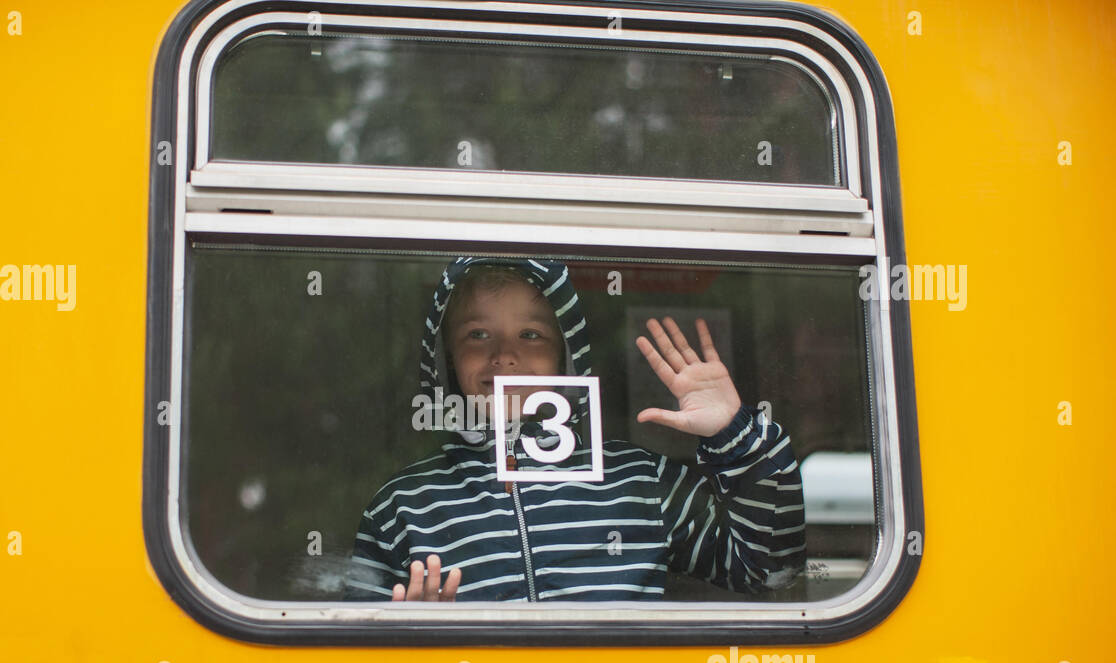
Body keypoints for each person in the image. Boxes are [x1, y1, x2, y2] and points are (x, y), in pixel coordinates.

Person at [345, 257, 805, 602]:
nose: (504, 354)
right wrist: (410, 640)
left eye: (531, 335)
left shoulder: (639, 481)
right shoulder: (404, 504)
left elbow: (768, 572)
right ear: (446, 359)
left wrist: (735, 436)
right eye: (477, 334)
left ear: (567, 357)